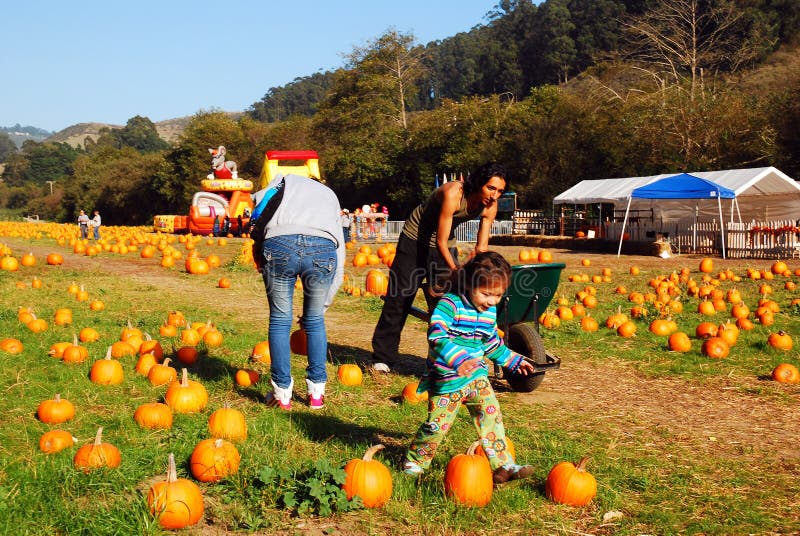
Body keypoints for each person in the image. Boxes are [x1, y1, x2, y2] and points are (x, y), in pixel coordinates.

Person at [403, 251, 536, 483]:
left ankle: (503, 466)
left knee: (491, 417)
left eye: (498, 295)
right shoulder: (450, 305)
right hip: (447, 379)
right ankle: (415, 461)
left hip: (476, 377)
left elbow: (492, 344)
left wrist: (514, 360)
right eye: (486, 294)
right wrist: (459, 359)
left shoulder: (489, 311)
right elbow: (437, 335)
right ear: (469, 284)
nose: (492, 301)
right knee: (437, 426)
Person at [370, 162, 508, 372]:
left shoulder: (490, 205)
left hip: (445, 242)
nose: (495, 195)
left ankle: (444, 359)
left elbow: (481, 249)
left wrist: (478, 272)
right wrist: (456, 269)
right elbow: (440, 242)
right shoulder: (453, 193)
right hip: (415, 240)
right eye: (491, 188)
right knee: (400, 297)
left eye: (500, 191)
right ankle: (383, 357)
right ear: (479, 183)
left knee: (449, 302)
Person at [256, 173, 345, 411]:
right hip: (322, 247)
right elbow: (341, 251)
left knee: (280, 319)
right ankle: (316, 395)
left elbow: (259, 206)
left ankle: (282, 395)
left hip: (279, 243)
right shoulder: (329, 195)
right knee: (315, 321)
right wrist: (323, 304)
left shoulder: (283, 180)